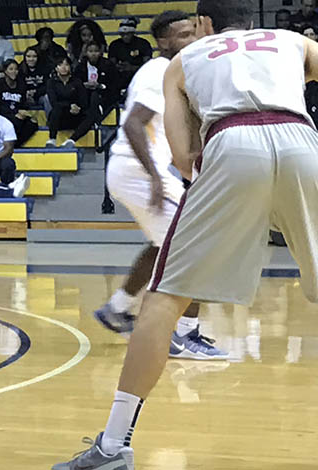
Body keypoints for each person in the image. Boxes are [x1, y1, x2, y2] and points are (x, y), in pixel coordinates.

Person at [54, 1, 318, 468]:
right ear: (252, 22)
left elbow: (182, 157)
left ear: (204, 24)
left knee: (163, 299)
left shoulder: (182, 61)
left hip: (231, 143)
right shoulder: (292, 41)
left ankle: (113, 447)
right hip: (301, 140)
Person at [96, 10, 227, 361]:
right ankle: (182, 335)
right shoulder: (159, 71)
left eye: (192, 33)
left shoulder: (175, 73)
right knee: (194, 246)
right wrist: (155, 176)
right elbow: (133, 125)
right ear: (163, 42)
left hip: (134, 170)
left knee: (163, 245)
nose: (191, 39)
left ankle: (118, 308)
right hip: (137, 170)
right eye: (182, 35)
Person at [46, 56, 101, 148]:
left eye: (66, 64)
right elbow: (54, 102)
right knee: (56, 110)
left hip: (75, 115)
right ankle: (52, 139)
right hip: (60, 117)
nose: (63, 67)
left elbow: (84, 102)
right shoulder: (51, 82)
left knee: (91, 116)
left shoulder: (77, 82)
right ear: (56, 68)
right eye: (60, 65)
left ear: (70, 67)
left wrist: (77, 107)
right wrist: (69, 106)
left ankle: (71, 140)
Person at [0, 59, 39, 147]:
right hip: (1, 115)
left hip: (16, 114)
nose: (14, 72)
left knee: (32, 123)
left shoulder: (21, 85)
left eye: (16, 69)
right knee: (15, 121)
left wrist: (25, 112)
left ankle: (14, 145)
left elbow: (23, 104)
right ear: (5, 71)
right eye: (11, 69)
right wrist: (13, 114)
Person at [73, 42, 120, 115]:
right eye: (90, 51)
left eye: (96, 51)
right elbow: (75, 82)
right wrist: (84, 85)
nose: (93, 54)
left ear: (100, 52)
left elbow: (114, 83)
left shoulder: (108, 65)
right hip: (85, 92)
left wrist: (100, 86)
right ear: (86, 53)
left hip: (104, 94)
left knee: (95, 95)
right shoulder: (80, 66)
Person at [108, 18, 154, 90]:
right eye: (123, 34)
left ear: (133, 33)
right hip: (120, 76)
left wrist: (132, 68)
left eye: (128, 34)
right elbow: (111, 63)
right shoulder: (115, 45)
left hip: (138, 75)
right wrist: (119, 67)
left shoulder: (143, 44)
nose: (125, 36)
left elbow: (147, 65)